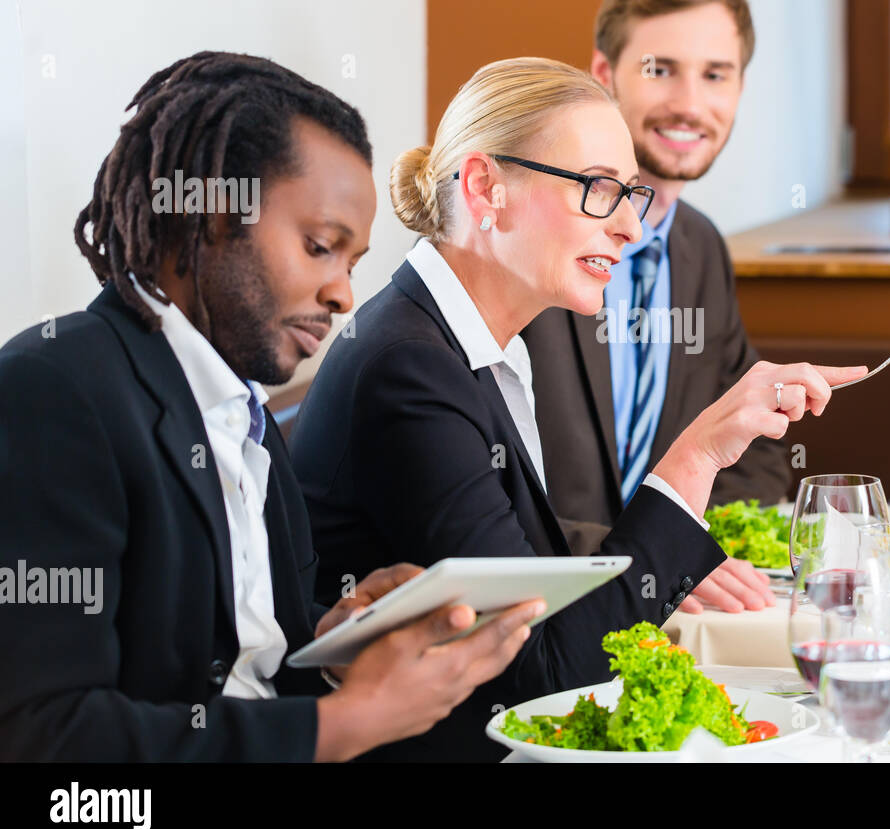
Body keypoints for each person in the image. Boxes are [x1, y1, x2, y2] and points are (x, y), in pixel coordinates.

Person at [290, 56, 863, 761]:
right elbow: (545, 680)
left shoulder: (479, 344)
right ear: (485, 189)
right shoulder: (408, 366)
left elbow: (529, 587)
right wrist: (698, 455)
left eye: (631, 194)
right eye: (597, 189)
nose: (628, 224)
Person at [0, 52, 538, 761]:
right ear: (211, 217)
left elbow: (240, 664)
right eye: (320, 248)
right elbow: (44, 739)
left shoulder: (239, 410)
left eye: (352, 263)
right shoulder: (56, 390)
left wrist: (334, 639)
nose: (344, 294)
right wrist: (345, 722)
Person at [520, 0, 790, 613]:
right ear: (605, 74)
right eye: (661, 70)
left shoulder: (700, 249)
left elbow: (755, 454)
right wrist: (651, 553)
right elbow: (473, 485)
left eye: (715, 75)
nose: (689, 104)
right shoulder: (528, 232)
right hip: (533, 624)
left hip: (660, 617)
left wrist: (678, 549)